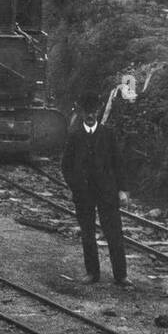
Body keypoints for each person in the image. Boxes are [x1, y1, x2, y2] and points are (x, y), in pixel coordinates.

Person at [61, 91, 130, 286]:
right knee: (87, 233)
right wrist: (75, 187)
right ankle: (92, 273)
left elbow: (119, 163)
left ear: (98, 111)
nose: (90, 115)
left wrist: (123, 190)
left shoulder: (108, 135)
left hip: (107, 193)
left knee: (114, 233)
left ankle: (121, 275)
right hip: (84, 195)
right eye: (86, 111)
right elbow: (66, 166)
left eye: (93, 111)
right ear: (81, 113)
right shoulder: (74, 137)